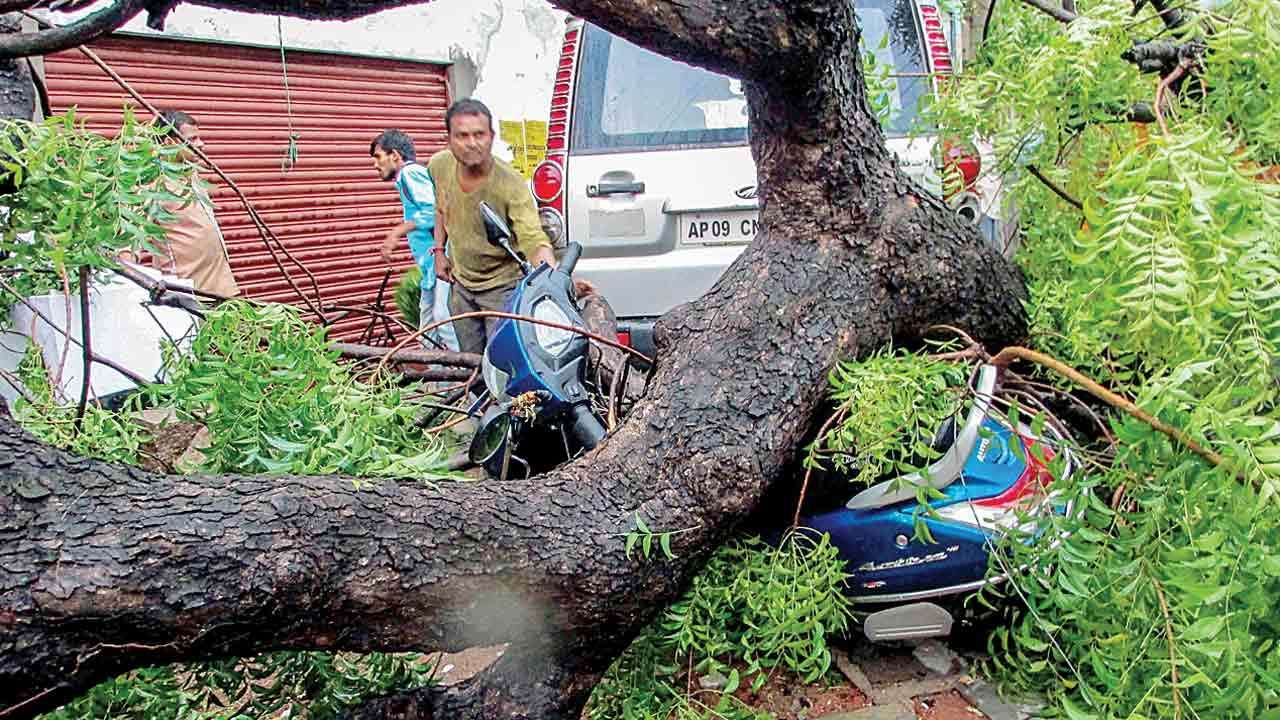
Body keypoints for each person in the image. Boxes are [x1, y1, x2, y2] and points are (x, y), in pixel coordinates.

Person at [427, 98, 561, 356]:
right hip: (461, 286)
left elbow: (533, 238)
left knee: (500, 364)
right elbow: (441, 205)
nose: (472, 143)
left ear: (492, 137)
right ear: (449, 138)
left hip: (502, 289)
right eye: (462, 135)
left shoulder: (510, 184)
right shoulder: (439, 165)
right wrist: (439, 251)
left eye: (479, 134)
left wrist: (553, 283)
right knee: (471, 364)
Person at [123, 109, 239, 297]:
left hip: (222, 286)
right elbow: (128, 243)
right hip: (186, 291)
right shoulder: (152, 184)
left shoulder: (191, 174)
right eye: (192, 140)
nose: (201, 144)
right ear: (170, 143)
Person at [370, 129, 459, 351]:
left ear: (395, 156)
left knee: (443, 320)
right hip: (429, 267)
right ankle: (438, 381)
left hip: (441, 261)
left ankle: (470, 375)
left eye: (378, 157)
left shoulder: (410, 174)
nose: (375, 165)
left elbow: (433, 210)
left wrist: (396, 232)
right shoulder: (404, 180)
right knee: (427, 329)